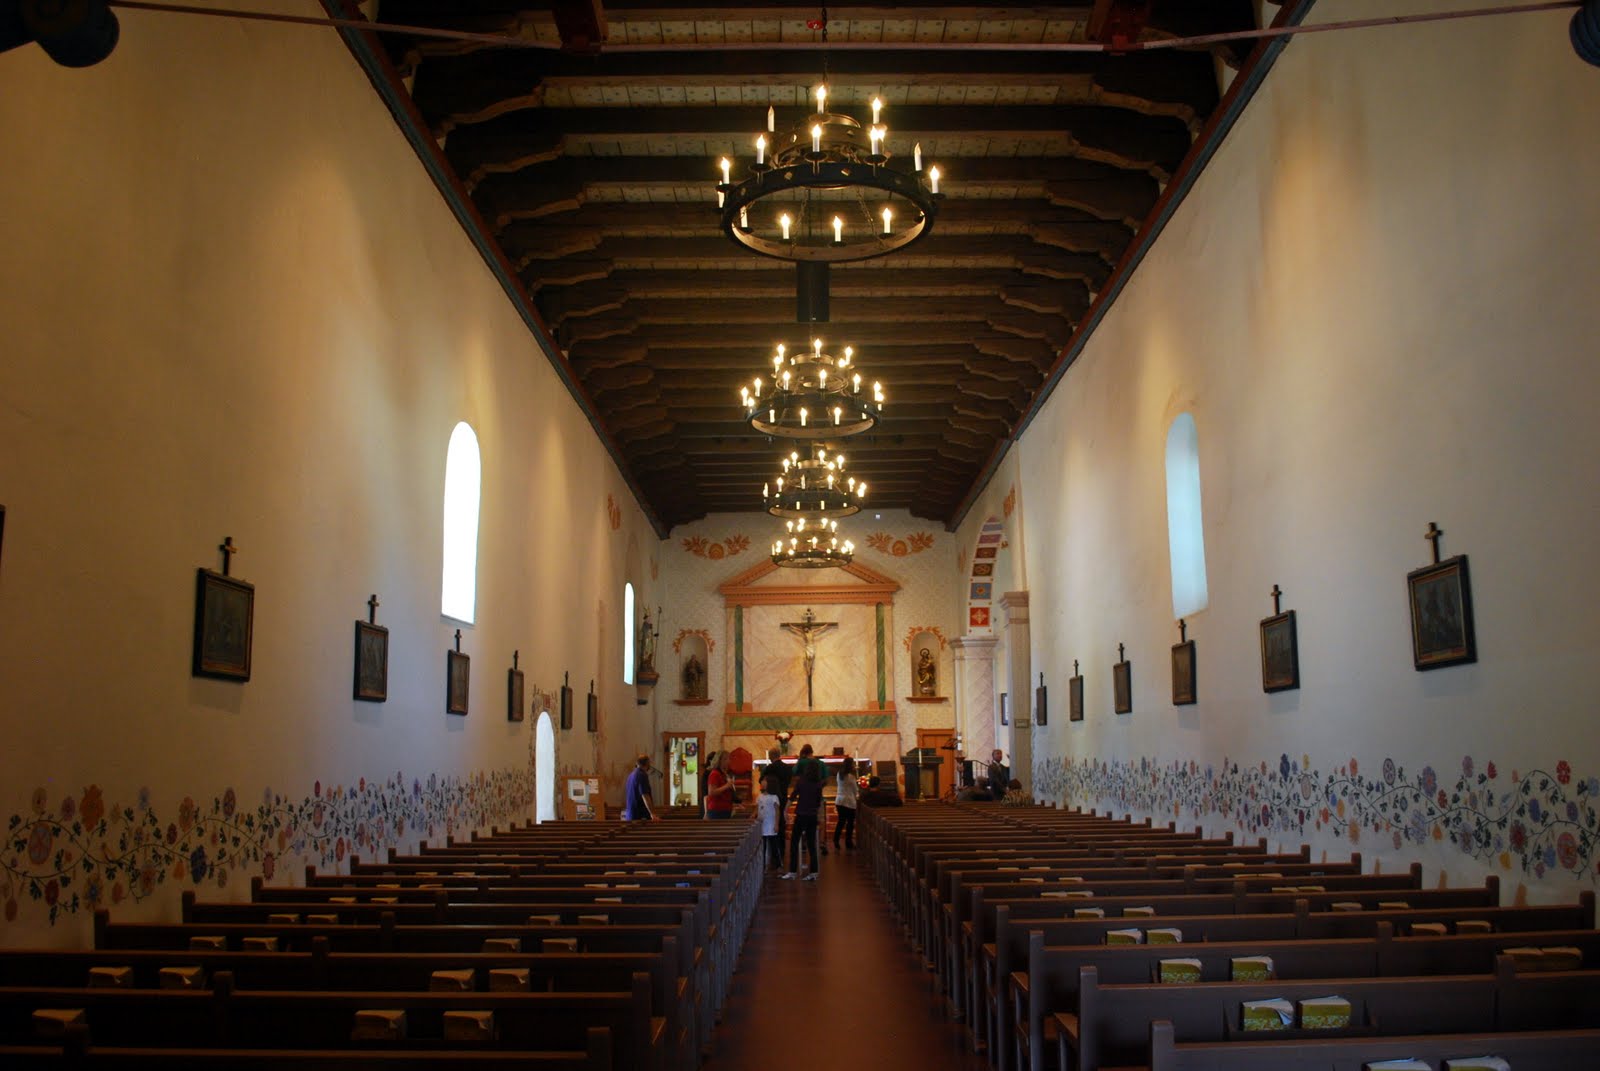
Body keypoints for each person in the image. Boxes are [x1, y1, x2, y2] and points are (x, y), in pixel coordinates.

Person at [782, 762, 823, 880]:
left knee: (794, 843)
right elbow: (819, 802)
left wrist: (785, 809)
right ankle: (813, 873)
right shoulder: (818, 783)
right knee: (812, 845)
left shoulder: (802, 781)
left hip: (801, 814)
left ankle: (793, 871)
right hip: (812, 815)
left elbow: (793, 796)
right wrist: (819, 816)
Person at [764, 747, 792, 849]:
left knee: (772, 821)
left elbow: (761, 781)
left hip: (771, 799)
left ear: (771, 756)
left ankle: (774, 850)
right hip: (783, 796)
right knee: (781, 822)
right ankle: (782, 847)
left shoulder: (769, 768)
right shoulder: (788, 768)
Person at [755, 774, 782, 870]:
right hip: (762, 825)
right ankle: (762, 865)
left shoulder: (774, 797)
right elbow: (757, 809)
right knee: (763, 847)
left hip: (770, 825)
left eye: (765, 780)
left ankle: (777, 864)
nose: (762, 782)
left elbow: (777, 811)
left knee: (774, 846)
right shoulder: (760, 796)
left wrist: (776, 824)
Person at [832, 756, 859, 850]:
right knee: (850, 823)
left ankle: (836, 840)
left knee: (841, 822)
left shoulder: (839, 774)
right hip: (849, 802)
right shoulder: (851, 777)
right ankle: (848, 843)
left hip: (839, 800)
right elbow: (855, 790)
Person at [622, 753, 657, 821]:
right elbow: (645, 796)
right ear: (647, 763)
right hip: (639, 817)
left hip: (630, 815)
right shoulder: (642, 775)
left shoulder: (630, 775)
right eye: (649, 762)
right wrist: (652, 814)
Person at [704, 752, 735, 819]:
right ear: (719, 761)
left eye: (729, 758)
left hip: (725, 809)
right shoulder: (715, 774)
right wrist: (727, 786)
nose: (728, 761)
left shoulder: (724, 774)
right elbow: (711, 792)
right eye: (725, 759)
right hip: (717, 810)